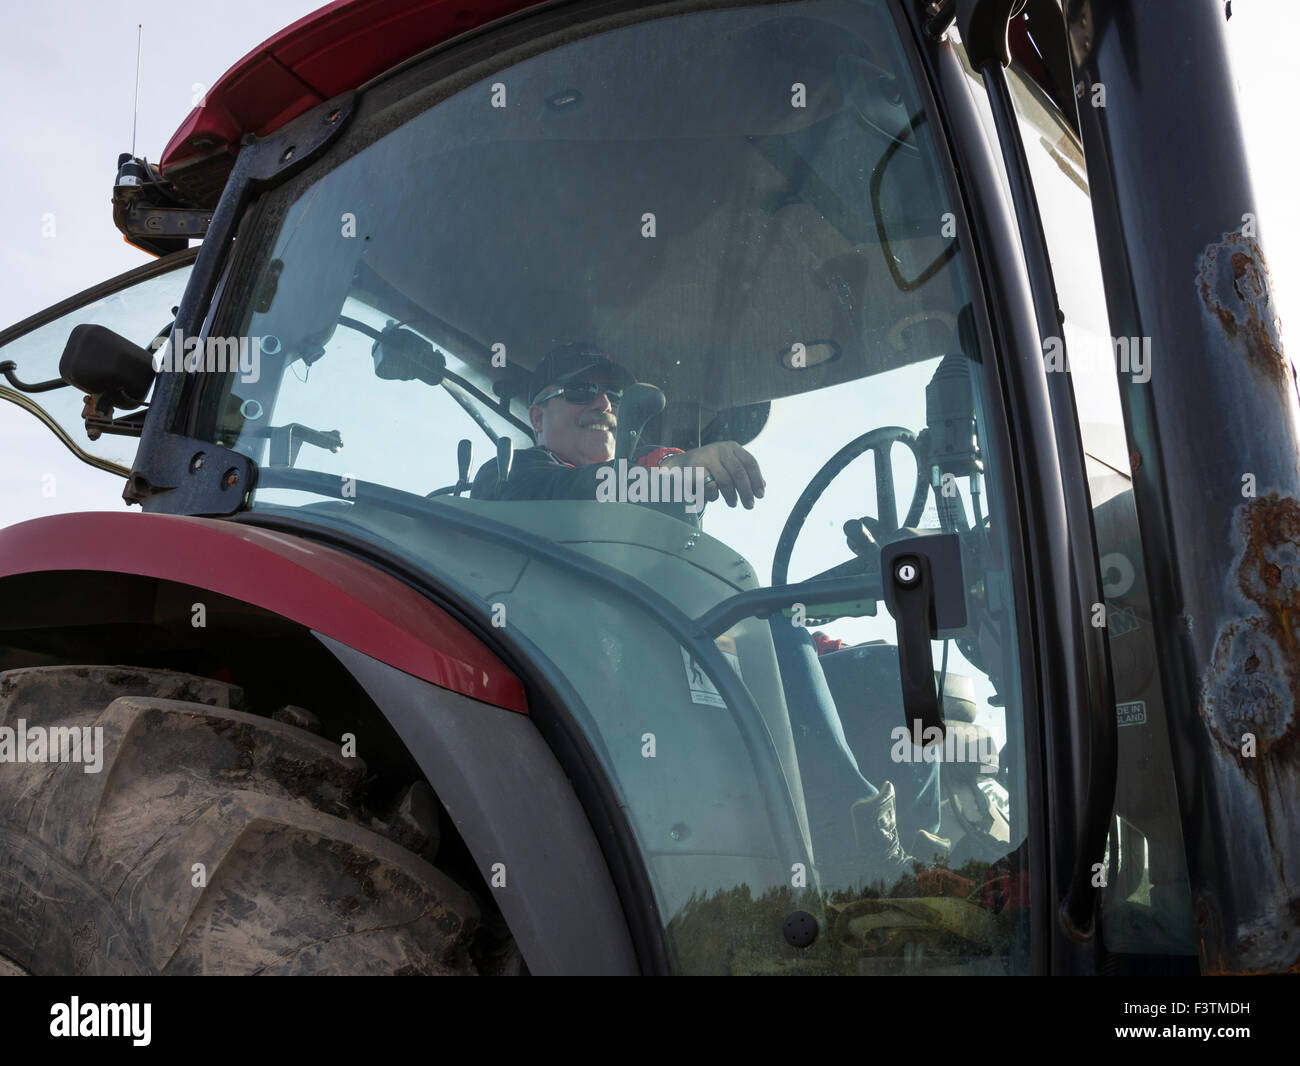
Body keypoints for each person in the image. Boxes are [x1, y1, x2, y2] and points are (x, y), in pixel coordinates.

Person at [470, 342, 766, 509]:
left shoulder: (630, 475)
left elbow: (645, 464)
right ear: (537, 417)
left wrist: (676, 463)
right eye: (581, 391)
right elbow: (571, 488)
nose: (604, 405)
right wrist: (661, 477)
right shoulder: (505, 478)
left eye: (614, 395)